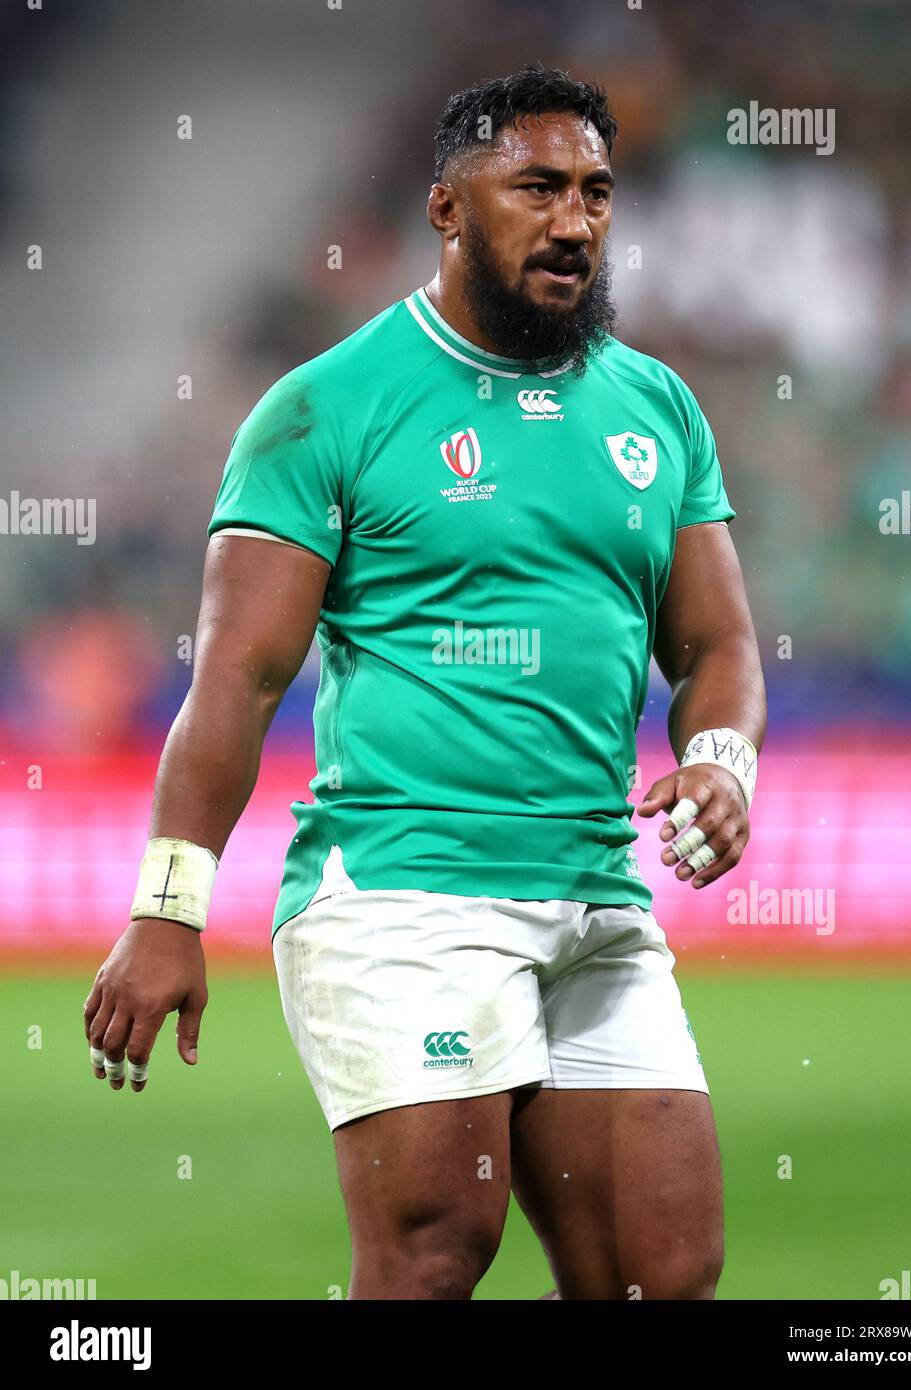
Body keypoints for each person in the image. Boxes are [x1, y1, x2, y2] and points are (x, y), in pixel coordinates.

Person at [84, 63, 766, 1301]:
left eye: (598, 193)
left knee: (663, 1274)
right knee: (436, 1248)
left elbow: (717, 646)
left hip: (594, 897)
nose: (575, 222)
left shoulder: (655, 405)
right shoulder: (324, 410)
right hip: (400, 897)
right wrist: (168, 906)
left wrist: (720, 759)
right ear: (449, 207)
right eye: (538, 188)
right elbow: (235, 680)